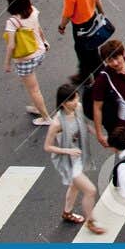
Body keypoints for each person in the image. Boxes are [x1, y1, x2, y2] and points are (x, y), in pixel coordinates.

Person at [42, 82, 103, 233]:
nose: (75, 102)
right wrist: (67, 151)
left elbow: (84, 125)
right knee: (90, 190)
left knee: (74, 187)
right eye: (71, 100)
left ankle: (67, 213)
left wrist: (100, 137)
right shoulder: (56, 123)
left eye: (76, 97)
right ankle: (91, 222)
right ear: (63, 103)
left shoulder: (78, 108)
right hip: (68, 161)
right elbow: (47, 147)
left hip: (79, 154)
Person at [2, 0, 52, 126]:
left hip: (25, 59)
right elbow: (39, 29)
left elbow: (11, 45)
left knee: (33, 90)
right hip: (40, 51)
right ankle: (37, 107)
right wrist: (45, 41)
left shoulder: (12, 22)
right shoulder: (33, 10)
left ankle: (46, 117)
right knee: (34, 86)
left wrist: (7, 63)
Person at [57, 0, 110, 82]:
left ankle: (98, 79)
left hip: (80, 27)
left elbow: (68, 14)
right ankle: (84, 75)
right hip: (92, 20)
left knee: (86, 53)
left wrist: (62, 26)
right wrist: (102, 13)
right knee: (89, 49)